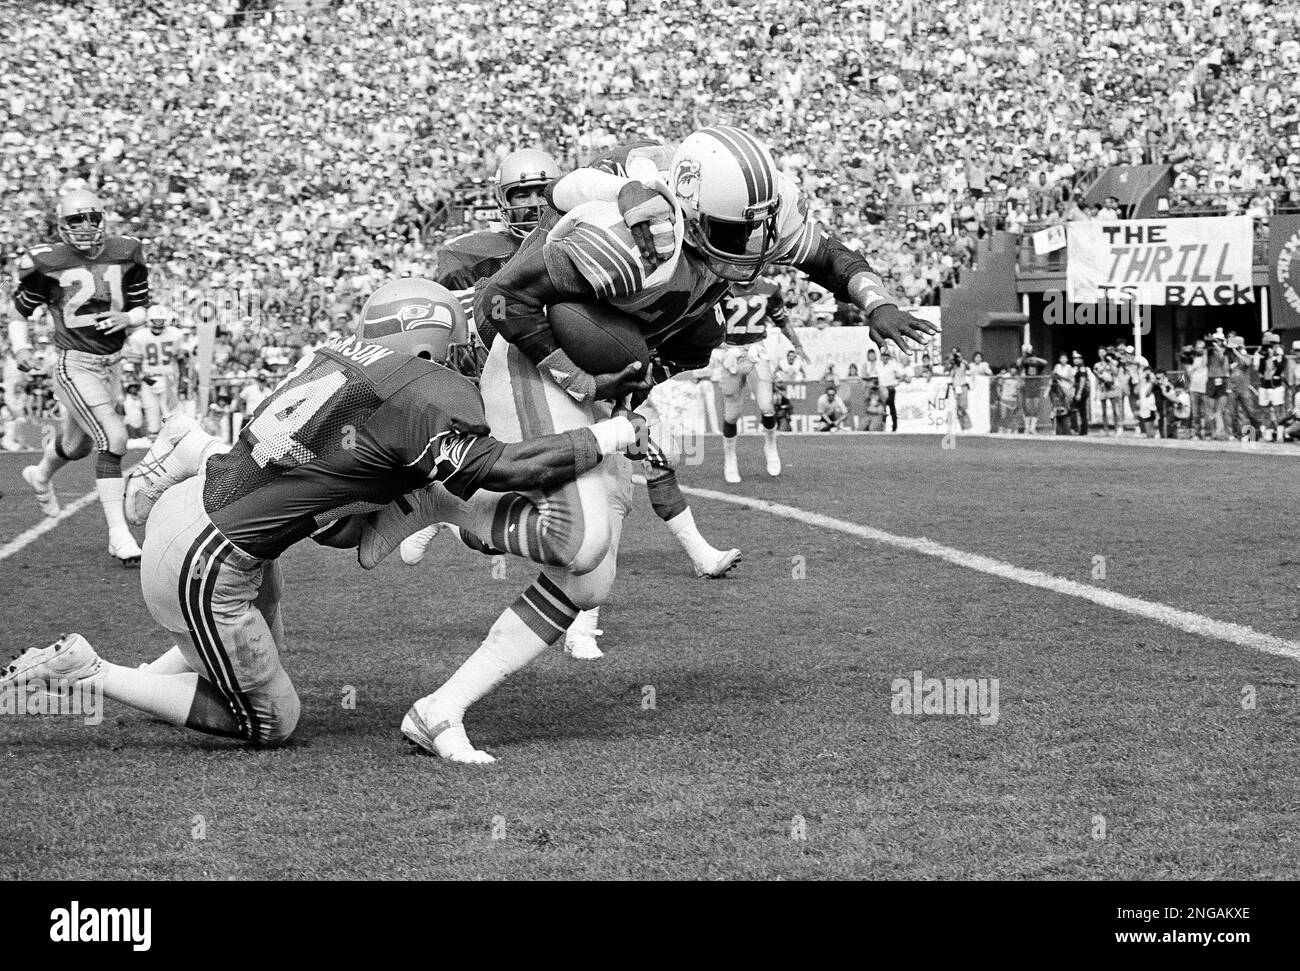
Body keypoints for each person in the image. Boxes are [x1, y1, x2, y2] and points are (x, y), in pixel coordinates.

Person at [396, 127, 935, 763]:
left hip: (601, 380)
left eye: (761, 228)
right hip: (534, 363)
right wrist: (581, 377)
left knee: (588, 583)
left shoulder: (748, 211)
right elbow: (500, 304)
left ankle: (439, 711)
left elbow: (828, 256)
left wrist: (877, 303)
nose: (757, 248)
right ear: (689, 209)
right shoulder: (627, 237)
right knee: (581, 536)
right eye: (740, 233)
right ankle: (442, 503)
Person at [2, 279, 647, 749]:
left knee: (267, 641)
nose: (459, 361)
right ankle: (92, 671)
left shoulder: (337, 355)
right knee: (270, 719)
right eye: (451, 347)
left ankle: (188, 452)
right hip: (210, 559)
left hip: (202, 511)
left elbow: (338, 515)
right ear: (430, 345)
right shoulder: (428, 390)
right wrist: (611, 436)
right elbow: (507, 469)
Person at [401, 147, 740, 661]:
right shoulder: (467, 256)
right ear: (501, 199)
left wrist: (627, 386)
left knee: (608, 495)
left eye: (543, 191)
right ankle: (448, 514)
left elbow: (633, 333)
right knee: (510, 503)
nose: (534, 203)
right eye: (521, 194)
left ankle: (584, 618)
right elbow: (447, 329)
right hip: (501, 386)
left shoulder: (592, 237)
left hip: (580, 385)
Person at [11, 190, 149, 564]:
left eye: (92, 217)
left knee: (77, 447)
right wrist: (21, 349)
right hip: (75, 364)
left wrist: (128, 319)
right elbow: (19, 313)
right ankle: (119, 536)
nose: (86, 226)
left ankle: (40, 474)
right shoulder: (47, 262)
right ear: (61, 225)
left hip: (113, 364)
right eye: (76, 220)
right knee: (114, 436)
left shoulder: (126, 251)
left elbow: (140, 308)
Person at [714, 275, 809, 483]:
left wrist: (798, 345)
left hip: (758, 351)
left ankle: (771, 445)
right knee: (731, 415)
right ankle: (730, 457)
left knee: (767, 406)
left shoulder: (769, 288)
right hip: (731, 354)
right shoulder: (720, 287)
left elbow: (782, 321)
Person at [122, 306, 184, 438]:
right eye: (155, 321)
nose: (158, 324)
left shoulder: (175, 334)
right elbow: (137, 363)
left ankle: (169, 442)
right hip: (148, 379)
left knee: (169, 416)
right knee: (152, 417)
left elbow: (180, 359)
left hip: (168, 379)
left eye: (161, 321)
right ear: (149, 320)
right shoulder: (138, 337)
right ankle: (155, 445)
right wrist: (143, 378)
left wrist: (182, 379)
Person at [877, 346, 908, 431]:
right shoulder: (878, 366)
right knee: (882, 409)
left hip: (890, 388)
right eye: (883, 356)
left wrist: (897, 382)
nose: (884, 358)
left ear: (888, 357)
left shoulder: (892, 365)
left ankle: (894, 427)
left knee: (891, 408)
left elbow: (901, 374)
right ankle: (883, 426)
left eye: (886, 356)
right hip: (882, 389)